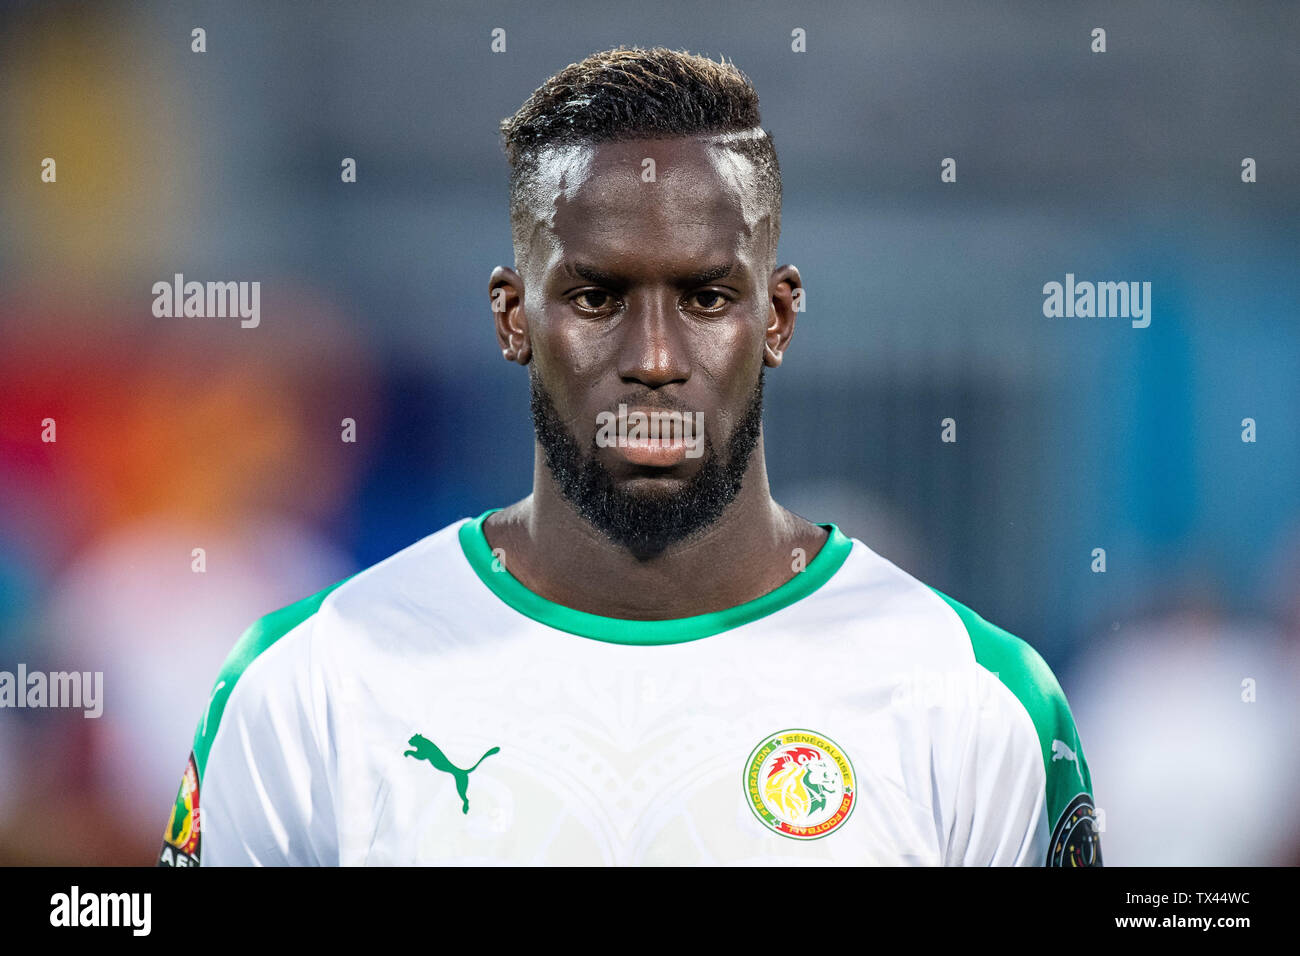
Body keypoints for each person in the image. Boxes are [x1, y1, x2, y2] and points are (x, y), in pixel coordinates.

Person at [159, 46, 1100, 866]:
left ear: (775, 317)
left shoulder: (975, 701)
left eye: (705, 298)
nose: (653, 361)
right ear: (512, 316)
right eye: (597, 297)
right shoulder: (311, 683)